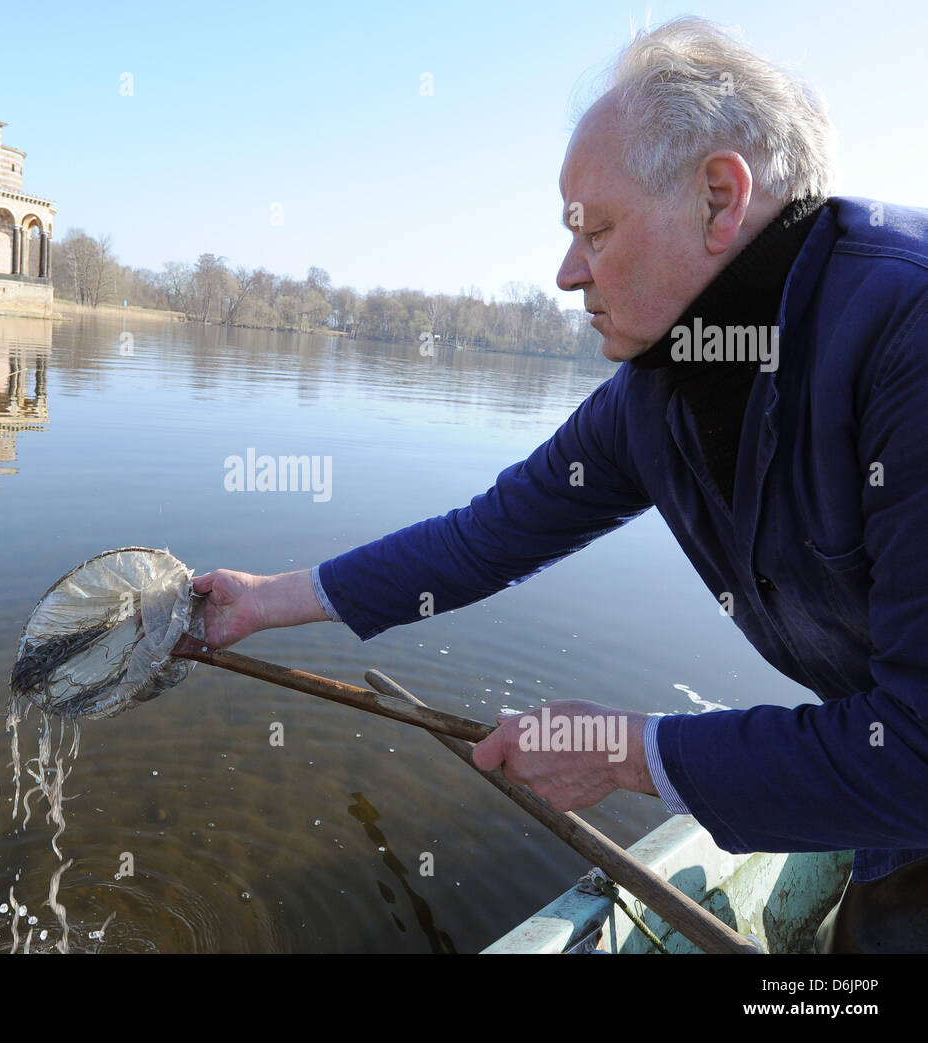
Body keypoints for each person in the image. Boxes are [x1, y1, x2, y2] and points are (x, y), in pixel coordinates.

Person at [181, 16, 928, 953]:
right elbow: (485, 536)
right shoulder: (657, 393)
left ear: (719, 198)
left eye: (596, 229)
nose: (567, 272)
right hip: (889, 808)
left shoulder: (909, 334)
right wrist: (263, 601)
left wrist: (624, 750)